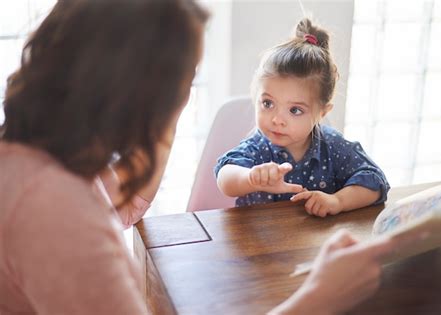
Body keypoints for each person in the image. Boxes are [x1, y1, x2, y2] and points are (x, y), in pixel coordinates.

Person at [0, 1, 394, 314]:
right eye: (182, 82)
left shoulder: (43, 154)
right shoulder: (51, 205)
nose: (184, 98)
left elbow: (124, 207)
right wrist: (320, 301)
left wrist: (164, 121)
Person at [215, 18, 390, 217]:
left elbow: (375, 182)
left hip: (313, 245)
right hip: (256, 245)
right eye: (268, 103)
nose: (277, 120)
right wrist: (251, 178)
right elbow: (225, 177)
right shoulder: (257, 147)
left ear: (322, 112)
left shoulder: (333, 146)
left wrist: (338, 200)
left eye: (295, 110)